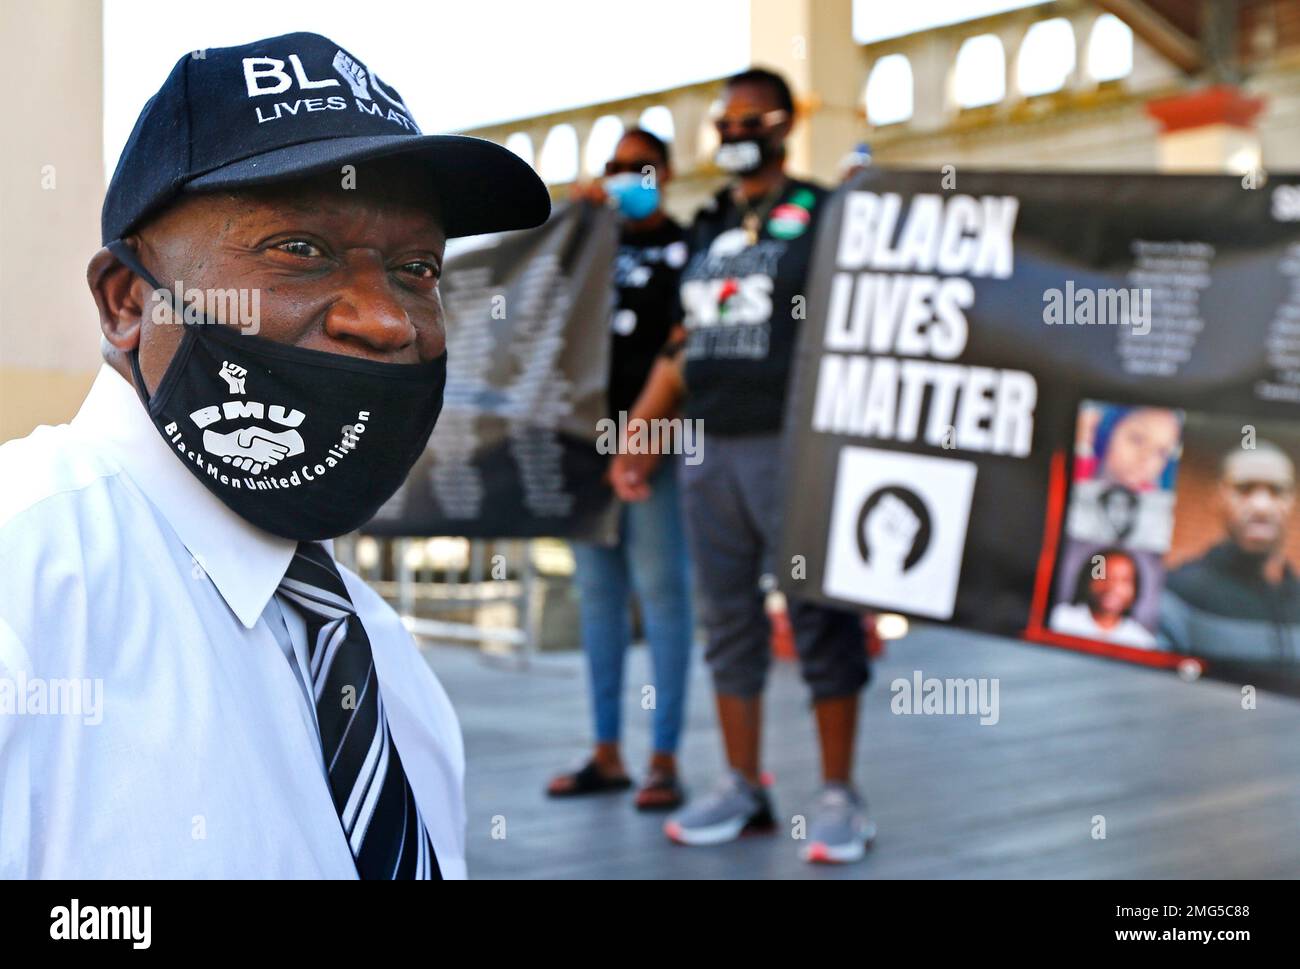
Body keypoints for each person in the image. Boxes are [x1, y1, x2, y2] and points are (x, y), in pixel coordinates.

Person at [0, 32, 550, 878]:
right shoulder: (23, 583)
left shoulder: (394, 674)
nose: (387, 319)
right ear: (124, 303)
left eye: (416, 268)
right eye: (300, 250)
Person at [610, 68, 875, 864]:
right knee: (727, 617)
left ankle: (838, 794)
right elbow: (683, 342)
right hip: (706, 446)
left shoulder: (822, 212)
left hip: (793, 442)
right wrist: (638, 434)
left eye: (749, 119)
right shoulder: (709, 225)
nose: (732, 132)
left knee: (819, 612)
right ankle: (742, 784)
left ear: (785, 123)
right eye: (723, 121)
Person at [546, 129, 694, 811]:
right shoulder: (593, 243)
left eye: (640, 168)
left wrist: (648, 437)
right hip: (587, 450)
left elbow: (686, 347)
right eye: (613, 168)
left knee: (664, 596)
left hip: (654, 447)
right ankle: (607, 750)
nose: (625, 178)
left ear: (664, 173)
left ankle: (664, 755)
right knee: (598, 600)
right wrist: (571, 221)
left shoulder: (687, 247)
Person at [1159, 443, 1300, 666]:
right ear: (1219, 497)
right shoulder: (1178, 594)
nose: (1261, 506)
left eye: (1276, 490)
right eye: (1244, 489)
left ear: (1292, 500)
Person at [1067, 405, 1180, 551]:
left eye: (1161, 452)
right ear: (1106, 432)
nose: (1145, 458)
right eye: (1137, 439)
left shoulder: (1156, 508)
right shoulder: (1076, 471)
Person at [1049, 548, 1156, 648]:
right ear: (1088, 581)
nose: (1112, 587)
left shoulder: (1142, 641)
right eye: (1103, 576)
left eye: (1124, 580)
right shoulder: (1060, 619)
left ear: (1135, 590)